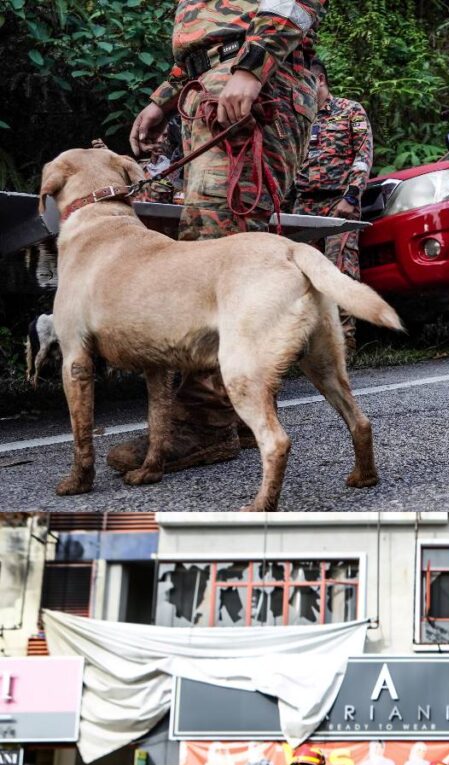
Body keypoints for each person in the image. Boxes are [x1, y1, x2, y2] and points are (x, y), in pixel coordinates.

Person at [111, 0, 323, 479]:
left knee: (216, 248)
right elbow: (202, 40)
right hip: (213, 83)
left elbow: (291, 4)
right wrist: (163, 100)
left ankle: (204, 423)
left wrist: (251, 67)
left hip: (251, 82)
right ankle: (240, 407)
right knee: (220, 243)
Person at [292, 58, 373, 359]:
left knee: (340, 272)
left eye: (306, 83)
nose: (300, 91)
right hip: (304, 205)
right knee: (302, 276)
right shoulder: (299, 117)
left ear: (321, 80)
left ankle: (343, 345)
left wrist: (351, 198)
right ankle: (309, 348)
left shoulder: (350, 111)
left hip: (339, 202)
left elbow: (363, 157)